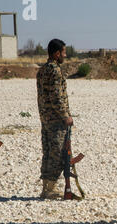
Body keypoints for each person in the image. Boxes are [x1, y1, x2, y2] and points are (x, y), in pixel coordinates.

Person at [36, 39, 73, 199]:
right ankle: (50, 187)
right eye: (63, 52)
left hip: (45, 118)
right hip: (56, 120)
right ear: (57, 53)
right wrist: (66, 116)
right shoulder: (55, 70)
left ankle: (46, 187)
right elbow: (56, 97)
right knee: (58, 153)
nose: (65, 55)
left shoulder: (42, 70)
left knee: (48, 152)